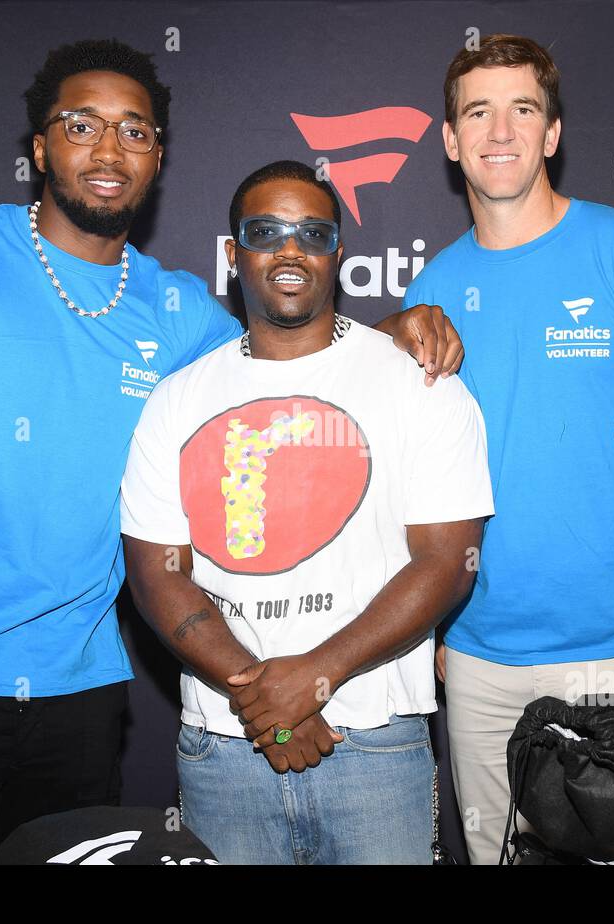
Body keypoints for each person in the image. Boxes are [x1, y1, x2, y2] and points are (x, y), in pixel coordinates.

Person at [0, 39, 460, 860]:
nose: (109, 149)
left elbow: (283, 352)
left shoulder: (178, 310)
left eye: (135, 131)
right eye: (82, 125)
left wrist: (391, 332)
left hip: (85, 694)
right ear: (39, 147)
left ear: (157, 157)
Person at [404, 34, 614, 864]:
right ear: (450, 140)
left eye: (523, 109)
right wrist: (434, 622)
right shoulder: (431, 292)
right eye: (476, 112)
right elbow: (417, 482)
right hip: (479, 662)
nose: (500, 130)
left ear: (552, 133)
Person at [119, 161, 494, 864]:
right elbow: (154, 574)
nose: (290, 250)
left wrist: (313, 675)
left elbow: (447, 564)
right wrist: (266, 701)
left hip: (375, 744)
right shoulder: (177, 399)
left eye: (311, 233)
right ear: (234, 254)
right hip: (227, 747)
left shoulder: (423, 384)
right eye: (266, 232)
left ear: (336, 253)